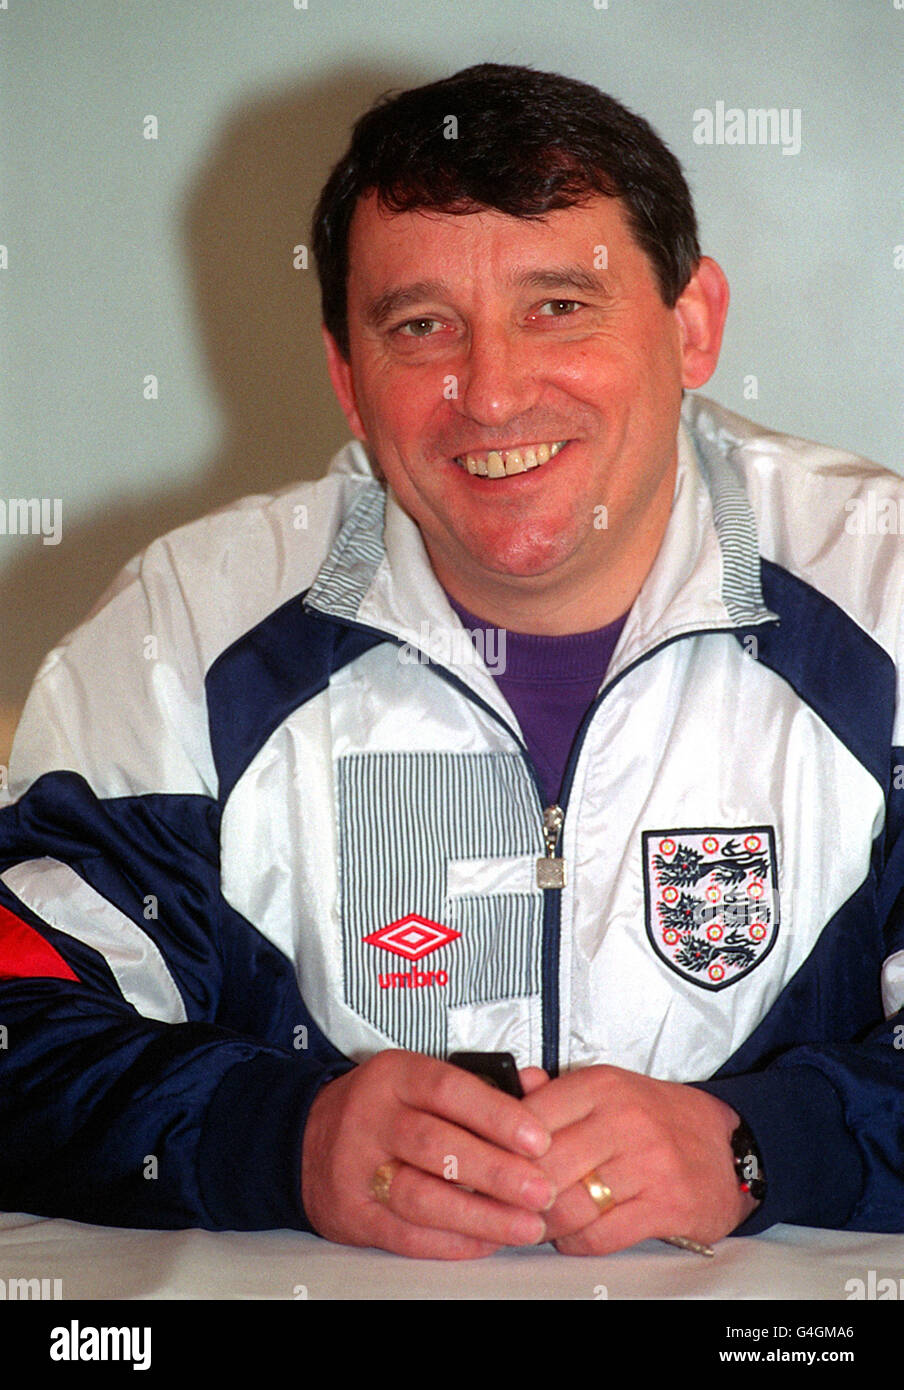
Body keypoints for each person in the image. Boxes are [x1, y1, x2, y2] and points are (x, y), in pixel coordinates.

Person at [0, 62, 902, 1261]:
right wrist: (285, 1138)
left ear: (692, 325)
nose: (490, 392)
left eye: (558, 308)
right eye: (421, 325)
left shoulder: (883, 594)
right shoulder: (188, 626)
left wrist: (759, 1144)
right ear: (347, 376)